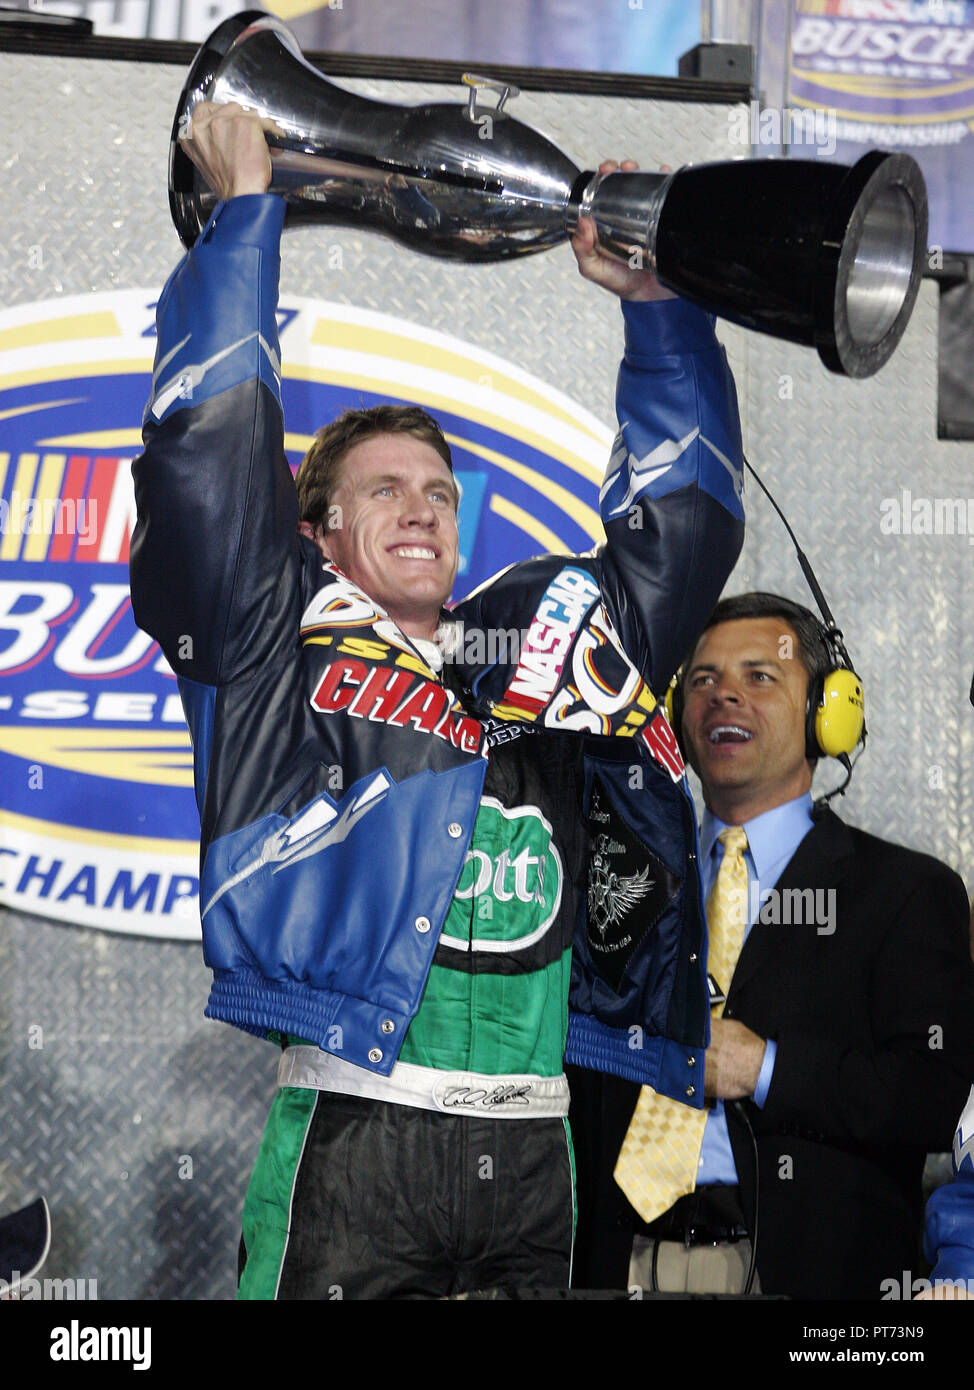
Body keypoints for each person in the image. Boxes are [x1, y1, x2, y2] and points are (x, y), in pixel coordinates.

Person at [129, 101, 744, 1299]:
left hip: (535, 1145)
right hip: (360, 1137)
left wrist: (659, 313)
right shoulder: (275, 639)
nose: (421, 507)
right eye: (385, 490)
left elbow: (682, 538)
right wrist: (248, 218)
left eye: (440, 492)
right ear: (319, 531)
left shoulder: (531, 643)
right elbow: (204, 480)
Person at [568, 592, 974, 1299]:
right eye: (702, 680)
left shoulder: (908, 892)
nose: (724, 695)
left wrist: (765, 1070)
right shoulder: (615, 884)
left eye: (760, 676)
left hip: (806, 1276)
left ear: (828, 714)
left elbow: (936, 1097)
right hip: (619, 1266)